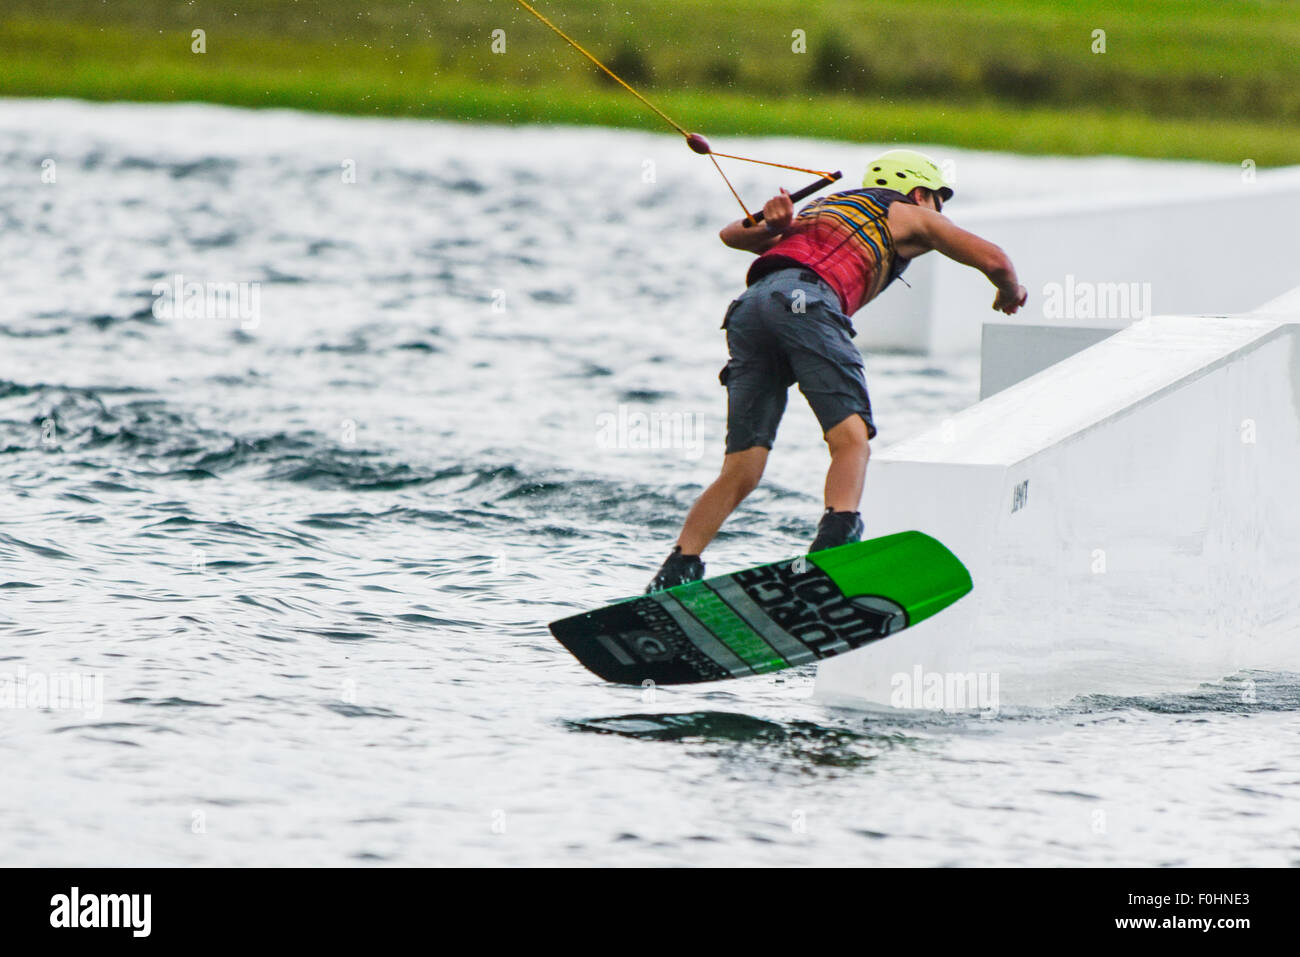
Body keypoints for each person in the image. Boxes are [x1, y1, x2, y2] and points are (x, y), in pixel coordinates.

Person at [646, 149, 1027, 592]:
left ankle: (678, 568)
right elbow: (995, 260)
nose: (940, 213)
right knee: (851, 439)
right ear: (921, 192)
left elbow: (732, 235)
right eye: (938, 201)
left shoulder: (822, 209)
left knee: (742, 468)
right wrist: (1010, 291)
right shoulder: (910, 213)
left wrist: (775, 223)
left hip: (748, 312)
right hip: (805, 304)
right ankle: (831, 549)